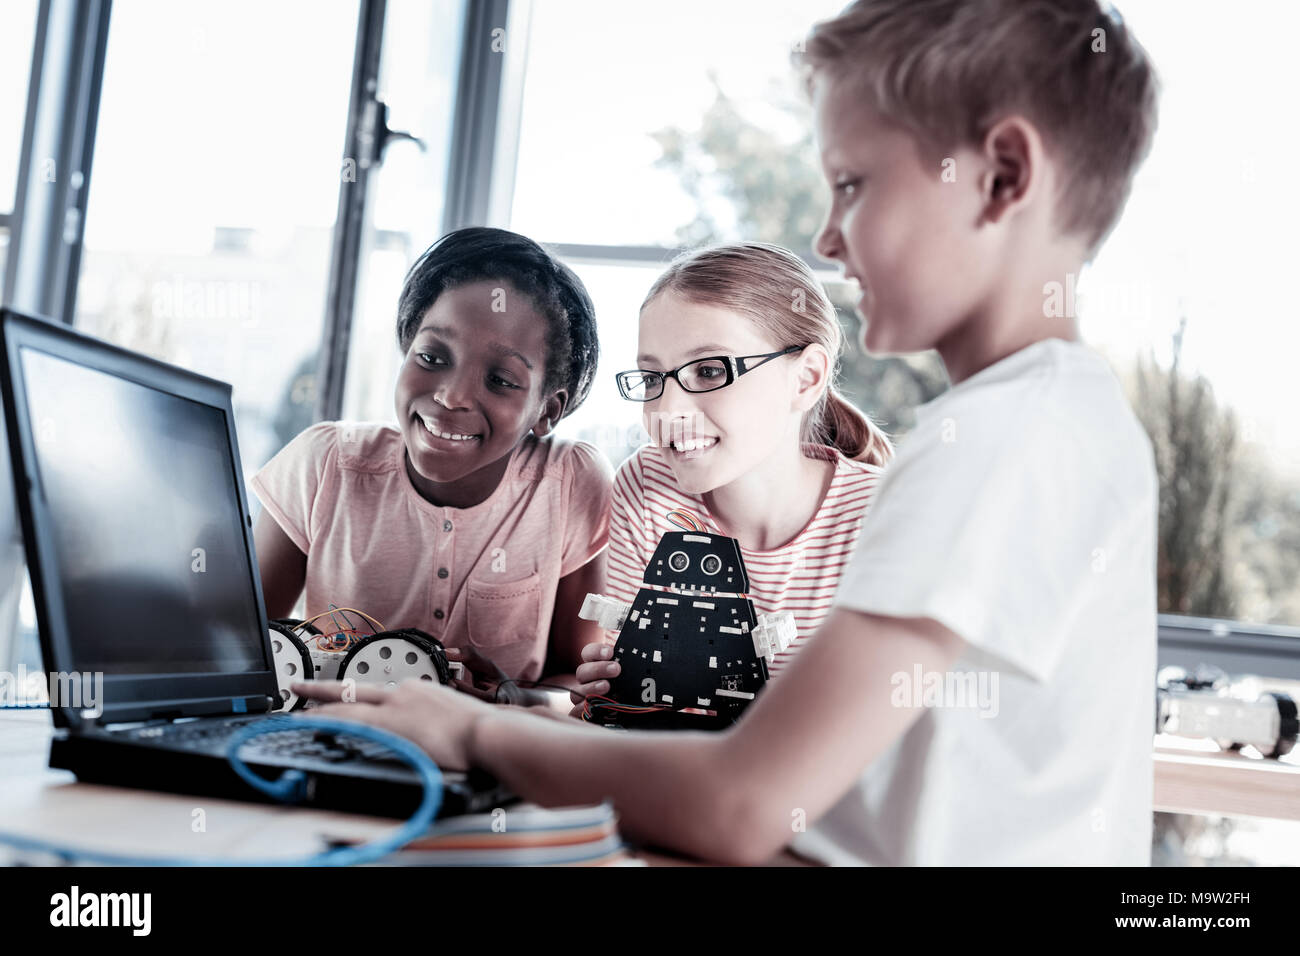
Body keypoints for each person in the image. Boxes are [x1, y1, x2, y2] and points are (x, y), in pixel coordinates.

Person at [295, 0, 1160, 865]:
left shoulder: (1003, 438)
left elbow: (743, 805)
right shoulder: (1061, 417)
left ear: (1003, 175)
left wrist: (473, 732)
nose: (827, 235)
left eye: (853, 184)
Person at [253, 227, 611, 701]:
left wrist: (507, 697)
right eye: (432, 356)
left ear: (548, 410)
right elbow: (240, 653)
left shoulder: (570, 484)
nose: (452, 395)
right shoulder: (326, 465)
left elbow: (579, 687)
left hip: (485, 760)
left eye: (501, 380)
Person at [570, 242, 892, 712]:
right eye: (652, 378)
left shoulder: (884, 516)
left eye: (708, 370)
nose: (667, 411)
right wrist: (610, 691)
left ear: (805, 379)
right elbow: (630, 701)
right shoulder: (647, 483)